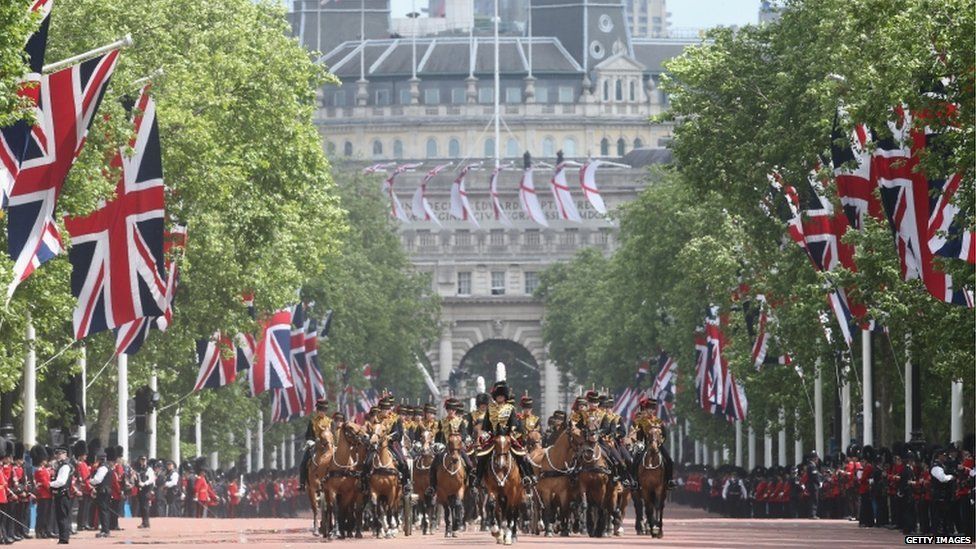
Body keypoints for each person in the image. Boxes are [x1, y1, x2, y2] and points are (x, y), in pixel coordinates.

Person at [477, 381, 536, 486]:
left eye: (502, 395)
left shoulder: (510, 408)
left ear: (505, 397)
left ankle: (527, 476)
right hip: (494, 436)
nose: (500, 397)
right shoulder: (490, 408)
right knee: (482, 455)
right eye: (498, 395)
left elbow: (513, 422)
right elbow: (486, 424)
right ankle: (478, 478)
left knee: (520, 454)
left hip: (508, 435)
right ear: (495, 397)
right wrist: (486, 433)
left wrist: (511, 430)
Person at [428, 398, 473, 496]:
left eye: (452, 410)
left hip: (458, 447)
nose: (451, 411)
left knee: (469, 465)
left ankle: (471, 486)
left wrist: (458, 439)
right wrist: (438, 445)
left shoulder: (460, 421)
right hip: (445, 448)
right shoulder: (442, 422)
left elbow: (464, 434)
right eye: (449, 409)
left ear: (455, 410)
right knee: (433, 466)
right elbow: (438, 436)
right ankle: (432, 487)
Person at [299, 398, 332, 491]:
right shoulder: (312, 421)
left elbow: (333, 434)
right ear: (317, 410)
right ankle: (302, 483)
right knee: (303, 462)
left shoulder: (330, 421)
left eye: (324, 410)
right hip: (316, 445)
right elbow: (308, 435)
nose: (323, 412)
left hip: (329, 445)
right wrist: (312, 441)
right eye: (321, 409)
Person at [49, 447, 74, 544]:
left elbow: (61, 481)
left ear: (65, 454)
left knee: (62, 517)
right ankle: (63, 537)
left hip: (62, 494)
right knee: (62, 517)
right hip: (63, 494)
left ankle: (64, 538)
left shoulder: (65, 466)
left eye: (60, 454)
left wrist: (49, 484)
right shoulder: (62, 465)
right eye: (57, 454)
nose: (58, 456)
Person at [930, 448, 955, 535]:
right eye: (943, 455)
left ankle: (944, 531)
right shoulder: (936, 467)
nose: (945, 457)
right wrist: (951, 477)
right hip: (939, 494)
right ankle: (938, 533)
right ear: (939, 456)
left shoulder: (943, 466)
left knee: (945, 515)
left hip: (944, 494)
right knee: (938, 515)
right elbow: (942, 478)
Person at [32, 445, 53, 538]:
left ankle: (44, 530)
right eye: (44, 459)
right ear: (41, 460)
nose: (46, 460)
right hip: (43, 495)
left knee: (46, 514)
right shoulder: (39, 470)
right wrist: (52, 489)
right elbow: (45, 483)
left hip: (47, 495)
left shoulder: (44, 469)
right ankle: (39, 531)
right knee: (42, 515)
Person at [90, 452, 112, 538]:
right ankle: (105, 529)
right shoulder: (106, 467)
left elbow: (97, 480)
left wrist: (90, 481)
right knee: (104, 510)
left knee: (103, 511)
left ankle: (105, 530)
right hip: (106, 490)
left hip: (103, 491)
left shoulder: (102, 468)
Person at [134, 456, 155, 528]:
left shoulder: (149, 469)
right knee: (142, 506)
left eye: (144, 460)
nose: (143, 461)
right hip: (140, 490)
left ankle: (146, 523)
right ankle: (144, 522)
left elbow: (151, 479)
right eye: (142, 460)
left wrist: (144, 483)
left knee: (145, 507)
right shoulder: (138, 469)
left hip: (146, 489)